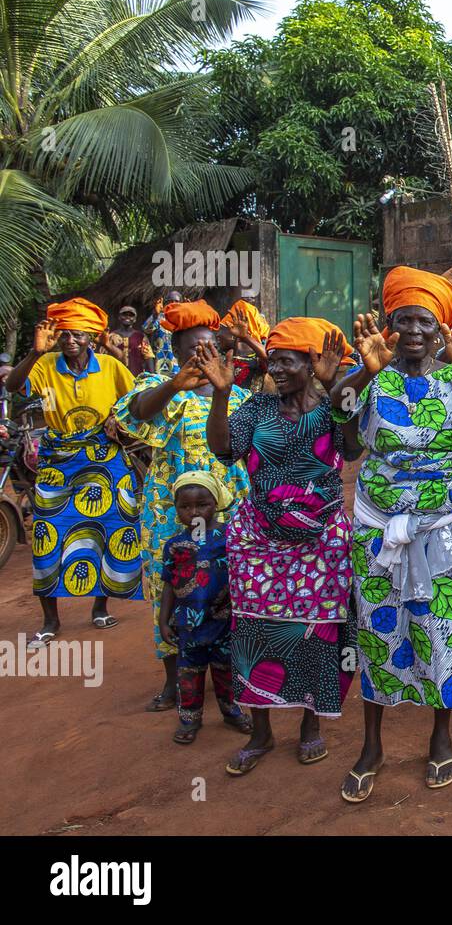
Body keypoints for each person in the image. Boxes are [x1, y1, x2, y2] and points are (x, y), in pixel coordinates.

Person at [333, 266, 452, 804]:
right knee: (378, 631)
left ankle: (440, 737)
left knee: (440, 627)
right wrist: (363, 374)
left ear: (440, 328)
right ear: (389, 327)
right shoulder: (375, 375)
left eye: (424, 321)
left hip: (448, 524)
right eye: (403, 319)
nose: (413, 330)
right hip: (381, 528)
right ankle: (371, 746)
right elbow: (346, 444)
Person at [200, 317, 360, 775]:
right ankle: (261, 732)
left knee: (317, 631)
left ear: (312, 364)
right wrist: (221, 393)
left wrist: (337, 393)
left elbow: (351, 450)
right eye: (274, 360)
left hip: (321, 542)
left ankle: (311, 727)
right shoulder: (255, 408)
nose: (278, 369)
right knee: (254, 631)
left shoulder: (332, 404)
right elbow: (223, 449)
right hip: (259, 540)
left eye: (289, 361)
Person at [114, 300, 251, 712]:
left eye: (208, 346)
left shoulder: (238, 395)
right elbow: (135, 413)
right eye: (192, 348)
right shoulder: (158, 386)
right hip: (168, 510)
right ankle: (174, 679)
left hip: (227, 504)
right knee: (169, 583)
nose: (202, 355)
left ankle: (235, 675)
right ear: (175, 352)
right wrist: (175, 384)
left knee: (232, 585)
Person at [5, 299, 141, 644]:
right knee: (47, 536)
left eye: (78, 334)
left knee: (110, 530)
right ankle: (50, 620)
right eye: (64, 334)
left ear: (91, 337)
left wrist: (118, 419)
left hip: (104, 457)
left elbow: (137, 400)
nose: (70, 340)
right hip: (58, 462)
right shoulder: (46, 364)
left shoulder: (110, 366)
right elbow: (12, 388)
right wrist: (35, 352)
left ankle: (100, 607)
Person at [157, 471, 252, 744]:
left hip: (224, 620)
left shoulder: (229, 537)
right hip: (188, 625)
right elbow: (168, 586)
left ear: (216, 503)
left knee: (225, 670)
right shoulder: (174, 547)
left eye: (202, 504)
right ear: (176, 509)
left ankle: (231, 712)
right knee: (189, 674)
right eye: (185, 507)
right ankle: (190, 719)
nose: (194, 512)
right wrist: (163, 622)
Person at [217, 300, 270, 392]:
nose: (218, 334)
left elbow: (270, 358)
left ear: (235, 332)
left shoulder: (258, 358)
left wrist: (245, 337)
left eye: (222, 328)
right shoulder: (224, 356)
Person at [142, 290, 183, 375]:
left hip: (179, 367)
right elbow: (146, 328)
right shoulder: (159, 318)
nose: (173, 303)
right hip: (159, 367)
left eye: (176, 301)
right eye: (170, 301)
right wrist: (155, 315)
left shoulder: (184, 320)